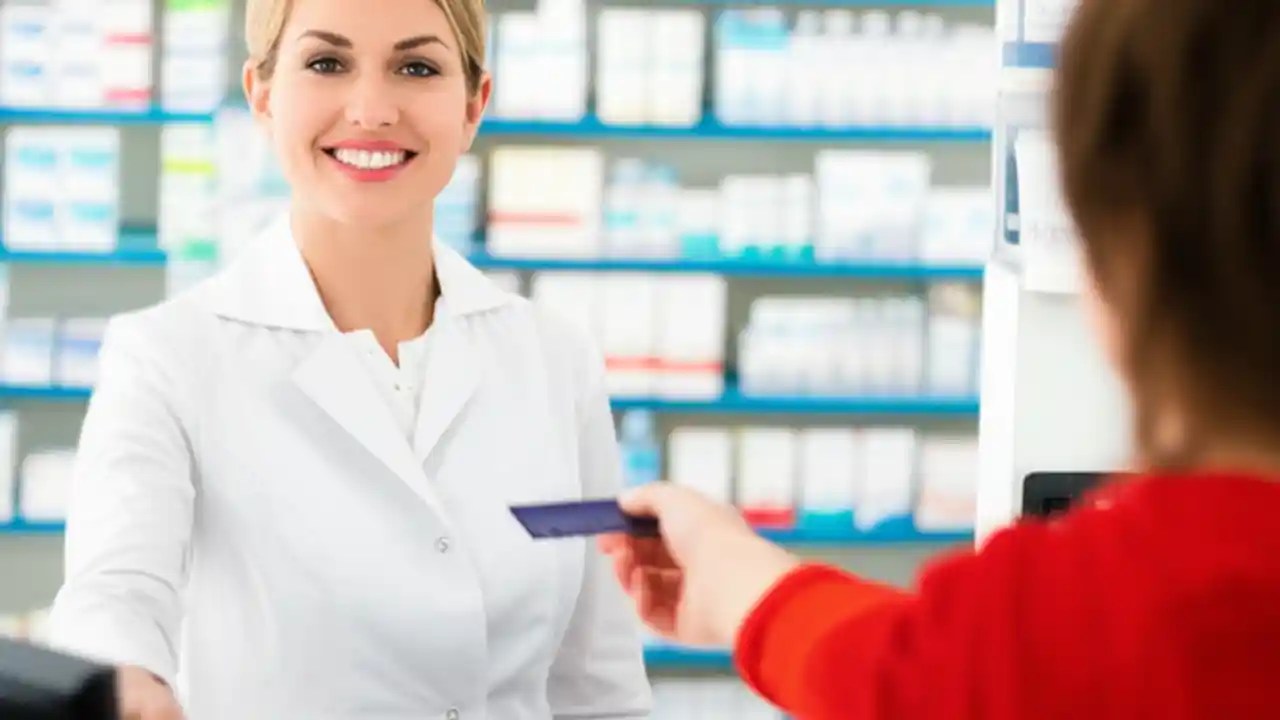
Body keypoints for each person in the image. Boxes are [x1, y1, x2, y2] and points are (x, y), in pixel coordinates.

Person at [600, 1, 1280, 718]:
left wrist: (732, 577)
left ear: (1122, 267)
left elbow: (889, 673)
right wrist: (735, 570)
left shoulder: (1072, 620)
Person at [45, 1, 652, 718]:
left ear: (473, 104)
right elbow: (113, 592)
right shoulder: (168, 357)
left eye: (417, 67)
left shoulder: (554, 360)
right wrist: (126, 682)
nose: (371, 108)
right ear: (263, 94)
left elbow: (598, 678)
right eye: (327, 63)